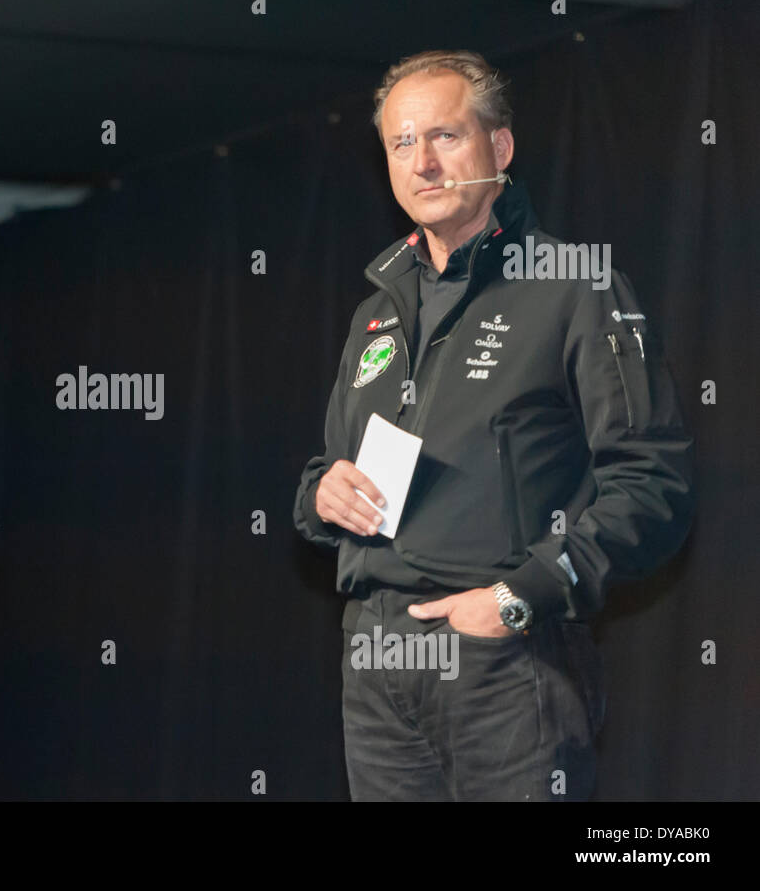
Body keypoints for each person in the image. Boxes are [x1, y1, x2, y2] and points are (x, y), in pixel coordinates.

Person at [293, 51, 694, 801]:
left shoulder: (577, 285)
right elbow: (328, 471)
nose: (424, 162)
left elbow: (654, 487)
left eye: (445, 135)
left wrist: (519, 597)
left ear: (499, 149)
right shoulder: (375, 311)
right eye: (402, 144)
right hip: (378, 655)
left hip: (507, 658)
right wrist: (322, 495)